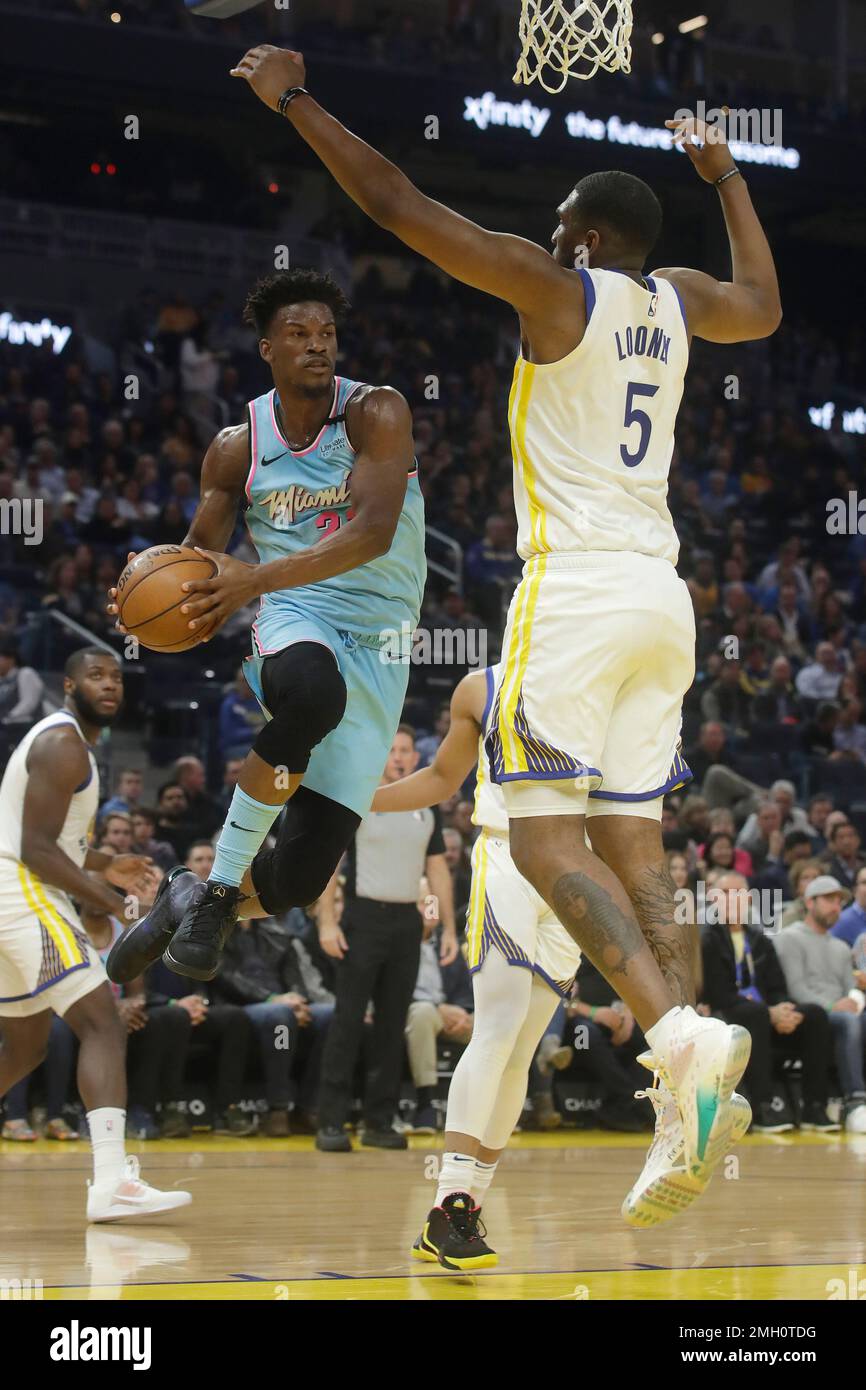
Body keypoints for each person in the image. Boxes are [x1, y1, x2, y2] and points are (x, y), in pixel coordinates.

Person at [233, 47, 783, 1226]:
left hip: (576, 591)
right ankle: (679, 1072)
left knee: (539, 844)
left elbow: (395, 203)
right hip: (665, 598)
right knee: (636, 852)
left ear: (577, 236)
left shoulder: (557, 289)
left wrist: (294, 99)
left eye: (554, 224)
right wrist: (729, 181)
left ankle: (678, 1038)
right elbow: (766, 307)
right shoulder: (678, 300)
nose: (542, 231)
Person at [107, 268, 426, 997]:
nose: (317, 347)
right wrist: (137, 597)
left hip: (381, 639)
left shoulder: (376, 413)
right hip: (295, 614)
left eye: (327, 335)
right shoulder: (235, 446)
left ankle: (185, 898)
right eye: (298, 335)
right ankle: (218, 892)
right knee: (311, 694)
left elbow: (375, 533)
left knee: (298, 881)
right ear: (266, 350)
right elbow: (196, 564)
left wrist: (254, 575)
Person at [0, 647, 190, 1220]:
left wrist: (105, 861)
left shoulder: (72, 746)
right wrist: (114, 903)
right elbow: (35, 849)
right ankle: (112, 1181)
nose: (109, 685)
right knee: (102, 1022)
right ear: (68, 684)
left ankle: (112, 1181)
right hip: (21, 893)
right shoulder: (63, 744)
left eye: (116, 677)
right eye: (95, 676)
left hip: (11, 893)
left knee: (26, 1045)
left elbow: (55, 841)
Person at [315, 725, 457, 1154]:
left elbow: (434, 873)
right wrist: (327, 922)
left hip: (407, 924)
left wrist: (441, 924)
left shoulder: (428, 809)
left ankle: (379, 1121)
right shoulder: (358, 800)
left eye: (405, 751)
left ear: (416, 758)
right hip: (361, 918)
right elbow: (329, 864)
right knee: (349, 1019)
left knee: (394, 1023)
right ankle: (332, 1121)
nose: (398, 757)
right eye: (391, 750)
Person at [700, 874, 837, 1133]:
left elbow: (777, 988)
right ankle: (763, 1106)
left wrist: (784, 1010)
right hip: (731, 1015)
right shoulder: (707, 939)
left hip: (765, 1013)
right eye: (725, 894)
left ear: (749, 899)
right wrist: (770, 1012)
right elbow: (719, 994)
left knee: (815, 1014)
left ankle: (814, 1107)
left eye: (738, 893)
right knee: (754, 1014)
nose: (732, 900)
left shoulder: (760, 940)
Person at [775, 876, 866, 1133]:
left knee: (858, 1018)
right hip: (808, 1015)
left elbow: (850, 988)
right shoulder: (789, 938)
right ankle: (856, 1103)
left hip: (842, 1013)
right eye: (828, 899)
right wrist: (832, 1007)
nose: (836, 906)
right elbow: (796, 989)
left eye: (839, 901)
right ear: (809, 901)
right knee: (848, 1021)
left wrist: (855, 1001)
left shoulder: (840, 947)